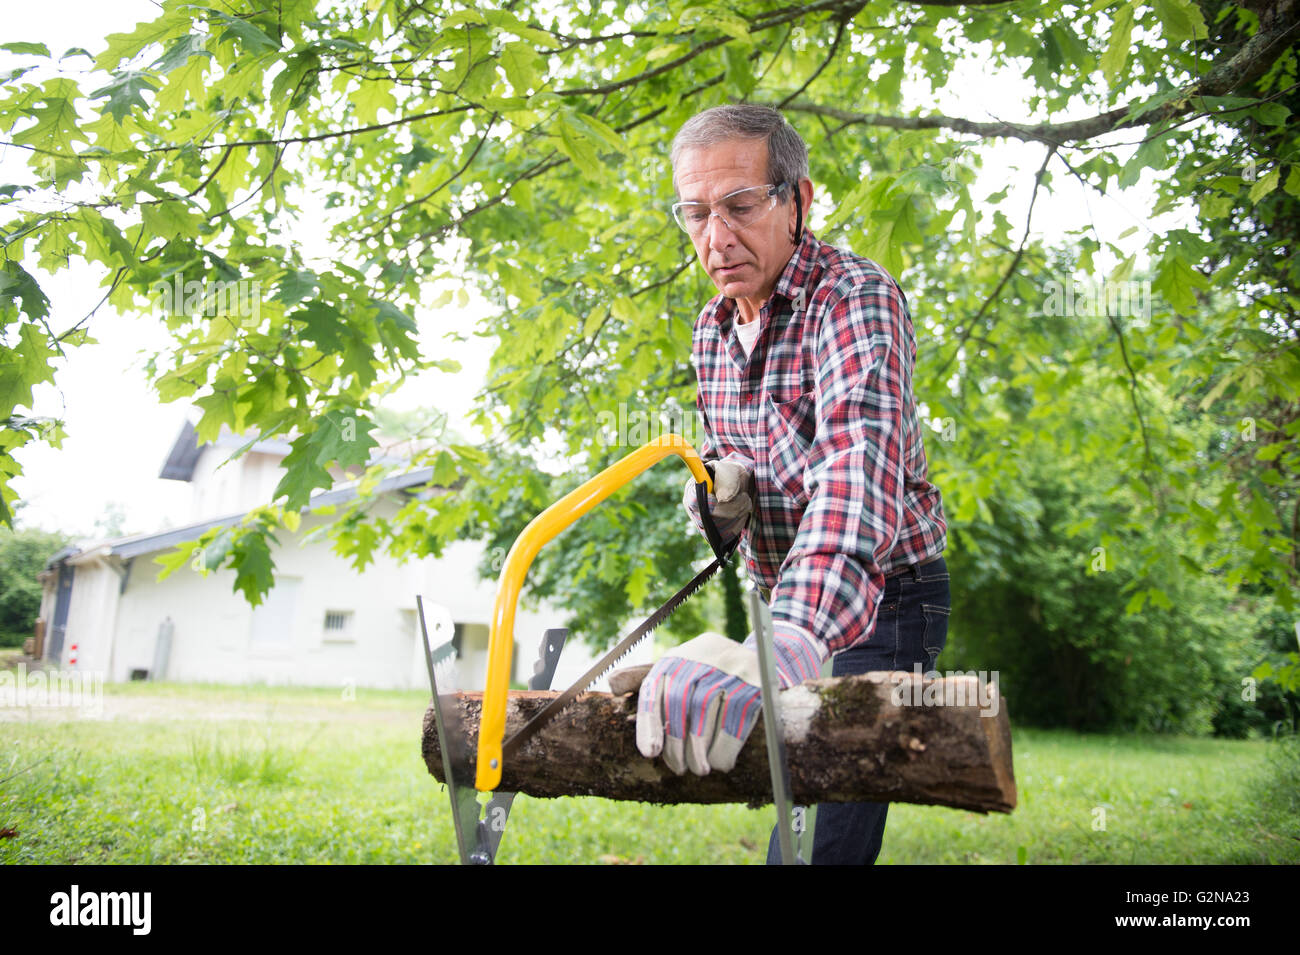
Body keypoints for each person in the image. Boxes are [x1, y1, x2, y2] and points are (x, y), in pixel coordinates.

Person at [633, 104, 950, 865]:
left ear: (798, 199)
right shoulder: (712, 331)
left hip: (887, 593)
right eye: (696, 213)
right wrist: (719, 501)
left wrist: (785, 646)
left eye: (741, 206)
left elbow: (855, 477)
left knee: (819, 834)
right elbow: (728, 463)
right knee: (788, 801)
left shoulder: (854, 298)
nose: (717, 237)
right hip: (790, 601)